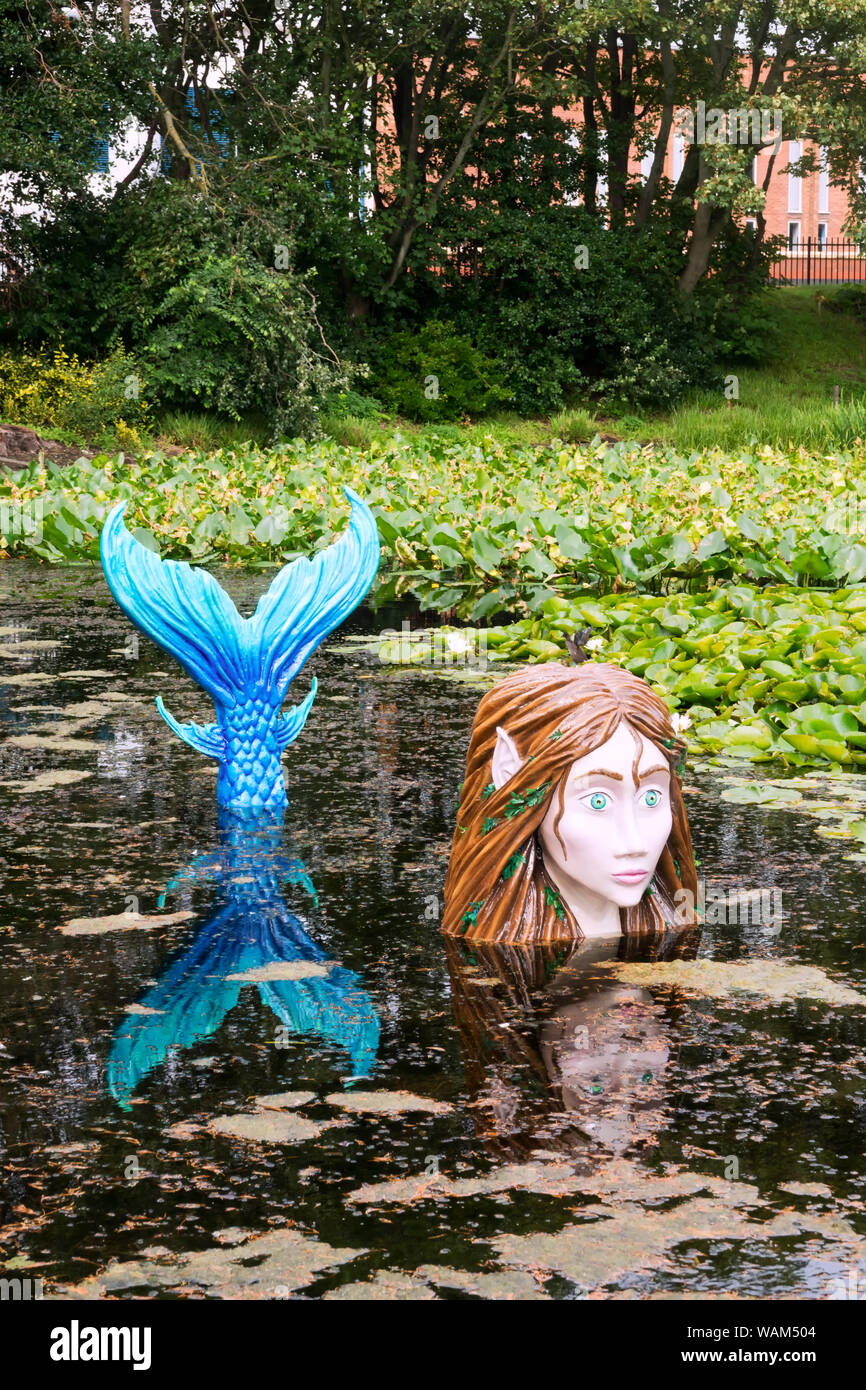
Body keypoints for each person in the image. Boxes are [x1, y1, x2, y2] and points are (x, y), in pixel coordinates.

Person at [443, 662, 698, 944]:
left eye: (651, 798)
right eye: (598, 801)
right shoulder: (503, 952)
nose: (635, 843)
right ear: (509, 772)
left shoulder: (668, 921)